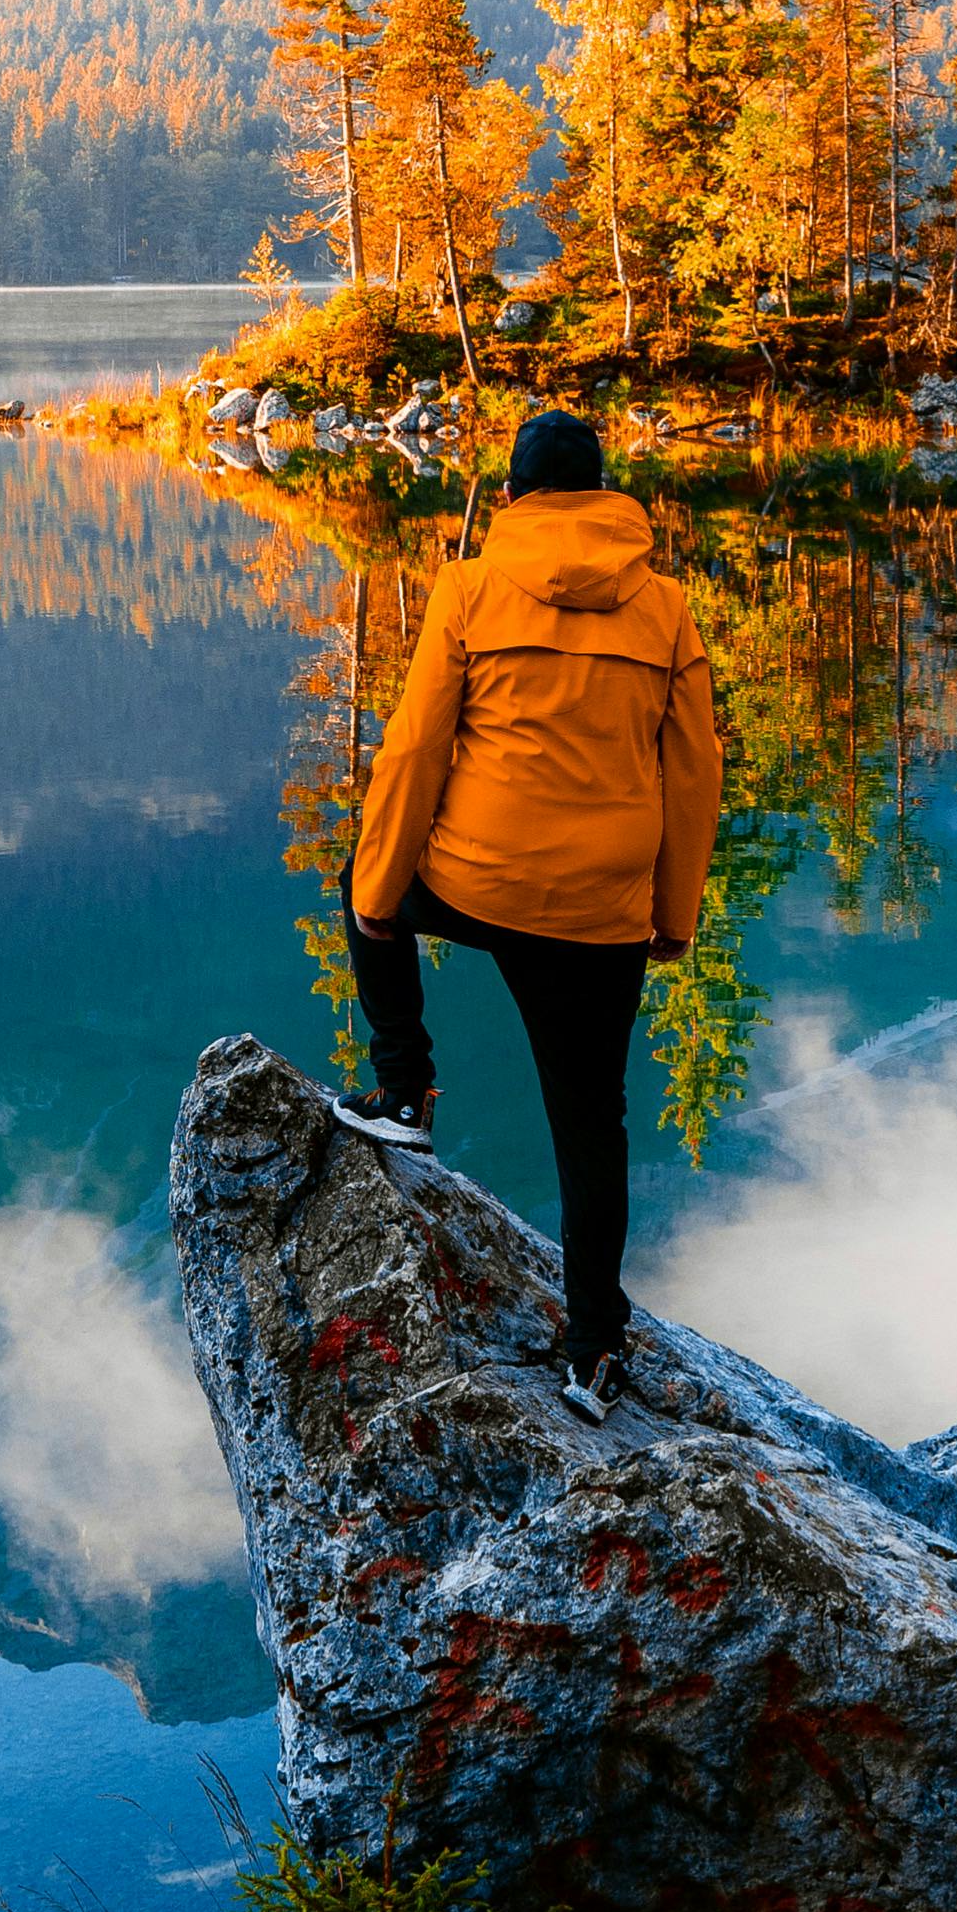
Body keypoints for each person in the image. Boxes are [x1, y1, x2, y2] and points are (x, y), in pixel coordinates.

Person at [338, 407, 720, 1422]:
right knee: (592, 1126)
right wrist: (672, 914)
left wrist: (379, 895)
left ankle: (405, 1090)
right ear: (602, 496)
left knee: (362, 879)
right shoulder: (666, 608)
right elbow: (693, 772)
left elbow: (416, 748)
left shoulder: (469, 586)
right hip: (602, 913)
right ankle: (593, 1351)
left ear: (509, 497)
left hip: (478, 880)